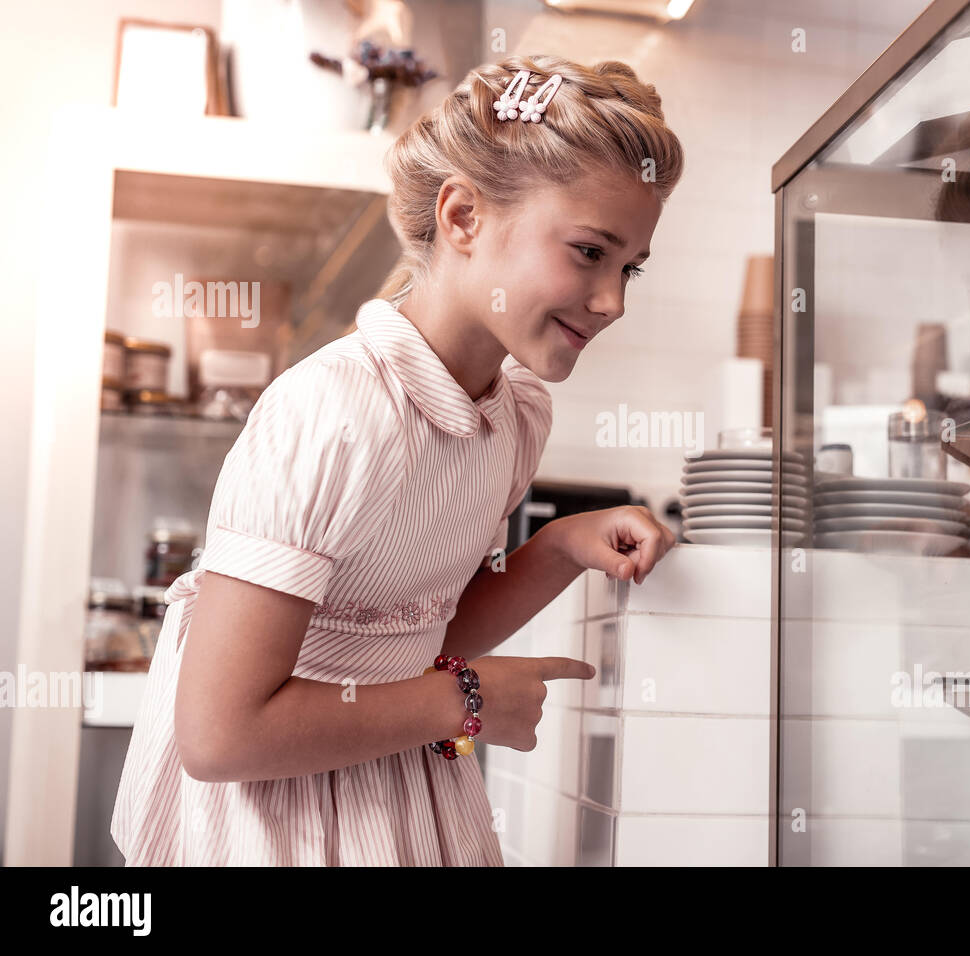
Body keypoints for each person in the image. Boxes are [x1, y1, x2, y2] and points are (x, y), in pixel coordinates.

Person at [110, 54, 685, 865]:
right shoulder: (332, 411)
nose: (613, 301)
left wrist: (559, 549)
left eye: (630, 267)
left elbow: (410, 630)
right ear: (462, 218)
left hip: (395, 793)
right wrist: (467, 699)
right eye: (590, 252)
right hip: (273, 824)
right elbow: (220, 733)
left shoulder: (516, 417)